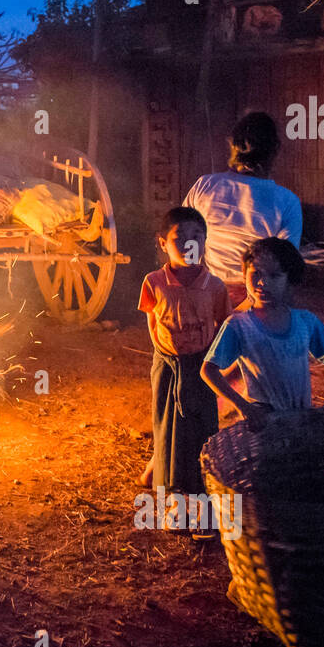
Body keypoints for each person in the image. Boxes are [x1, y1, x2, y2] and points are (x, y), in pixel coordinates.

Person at [137, 207, 232, 536]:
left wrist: (206, 363)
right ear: (163, 243)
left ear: (206, 242)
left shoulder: (215, 287)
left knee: (202, 428)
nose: (189, 245)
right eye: (180, 239)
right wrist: (168, 357)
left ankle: (204, 505)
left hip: (201, 368)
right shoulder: (154, 283)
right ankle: (174, 506)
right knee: (167, 431)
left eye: (197, 238)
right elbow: (153, 322)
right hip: (166, 367)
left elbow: (222, 327)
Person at [201, 237, 324, 431]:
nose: (262, 282)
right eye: (256, 273)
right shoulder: (238, 325)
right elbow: (208, 370)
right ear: (244, 274)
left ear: (290, 280)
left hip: (300, 419)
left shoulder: (304, 322)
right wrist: (244, 407)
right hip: (263, 423)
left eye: (274, 276)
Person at [184, 112, 302, 310]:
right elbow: (283, 266)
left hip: (207, 296)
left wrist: (191, 285)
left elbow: (183, 238)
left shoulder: (204, 186)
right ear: (274, 150)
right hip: (258, 300)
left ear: (233, 146)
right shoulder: (287, 201)